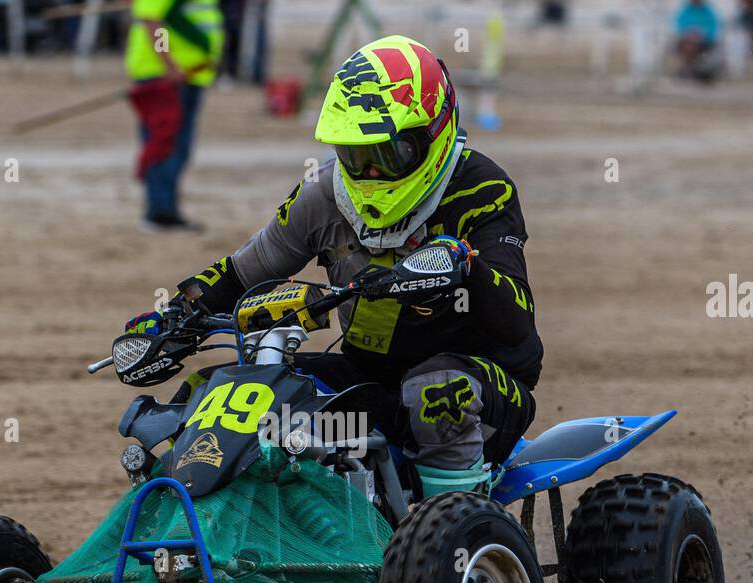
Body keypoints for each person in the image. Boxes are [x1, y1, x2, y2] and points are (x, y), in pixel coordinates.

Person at [121, 36, 541, 496]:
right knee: (223, 388)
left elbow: (516, 321)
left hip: (488, 388)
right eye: (356, 155)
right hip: (372, 383)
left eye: (388, 153)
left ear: (434, 131)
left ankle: (457, 524)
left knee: (435, 389)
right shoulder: (323, 193)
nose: (371, 172)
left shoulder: (482, 189)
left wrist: (465, 269)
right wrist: (170, 320)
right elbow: (242, 272)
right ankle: (199, 531)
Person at [125, 0, 224, 231]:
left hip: (189, 76)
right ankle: (160, 211)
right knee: (165, 143)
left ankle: (165, 208)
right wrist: (170, 66)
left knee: (177, 145)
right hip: (165, 78)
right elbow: (153, 22)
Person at [674, 0, 720, 80]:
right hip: (686, 40)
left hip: (704, 42)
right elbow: (679, 26)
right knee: (688, 44)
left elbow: (713, 29)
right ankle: (690, 69)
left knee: (691, 45)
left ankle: (688, 69)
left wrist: (701, 34)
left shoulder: (708, 12)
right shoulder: (685, 11)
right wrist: (689, 33)